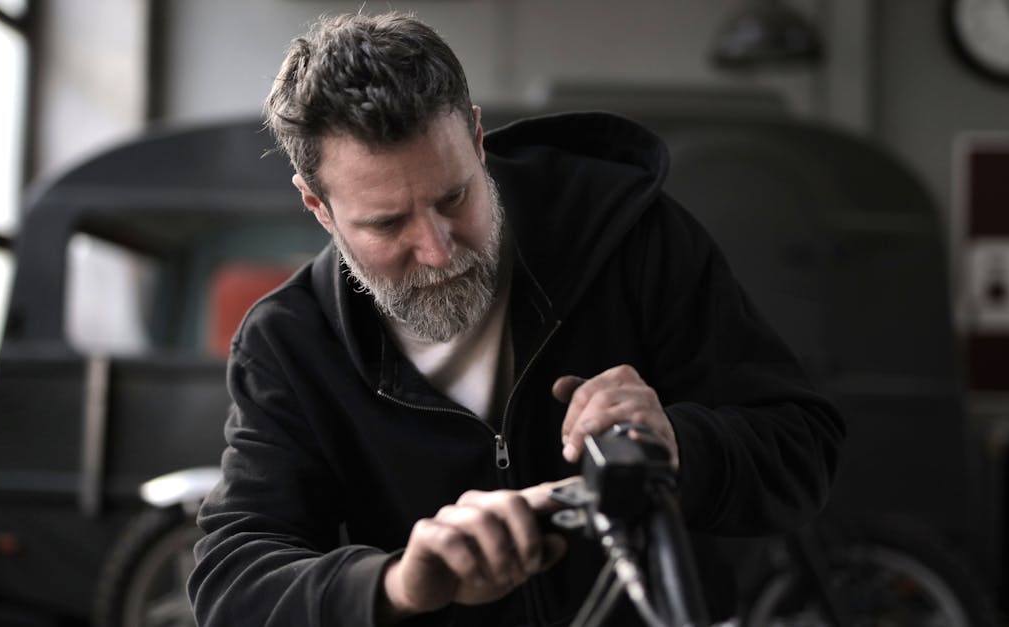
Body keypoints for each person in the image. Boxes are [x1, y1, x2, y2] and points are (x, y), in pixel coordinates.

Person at [188, 11, 843, 627]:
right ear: (319, 207)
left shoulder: (630, 235)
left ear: (475, 137)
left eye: (455, 196)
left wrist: (677, 443)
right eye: (387, 223)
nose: (439, 250)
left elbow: (803, 450)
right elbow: (231, 579)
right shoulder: (289, 343)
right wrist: (396, 585)